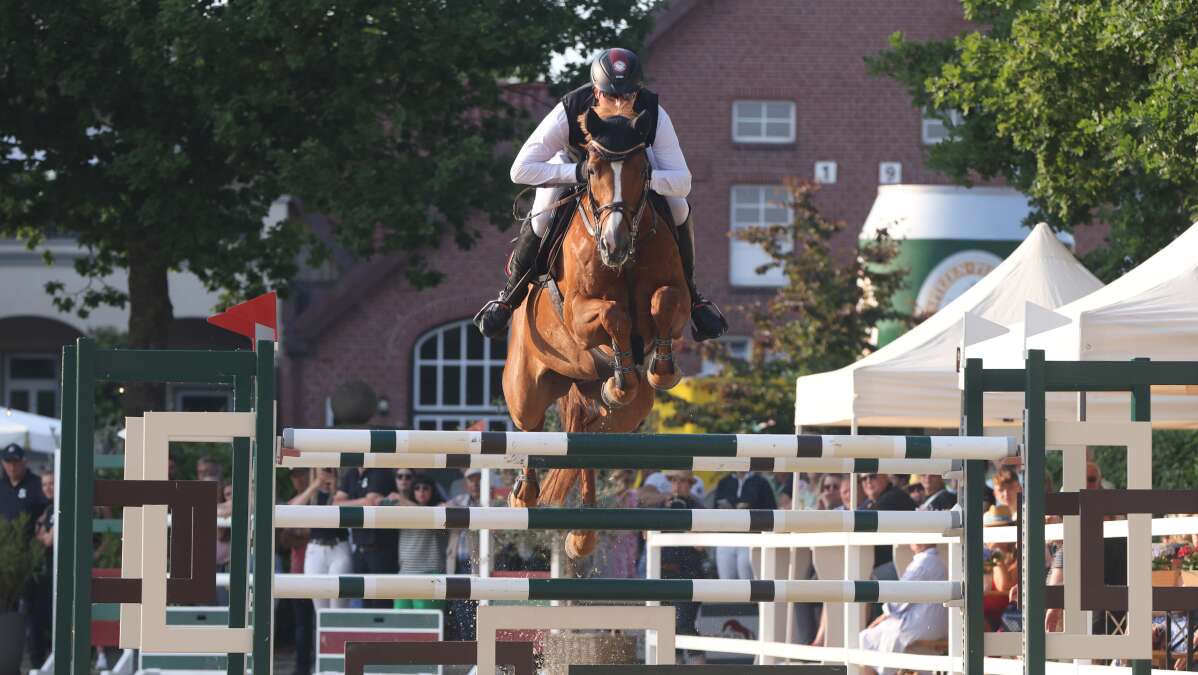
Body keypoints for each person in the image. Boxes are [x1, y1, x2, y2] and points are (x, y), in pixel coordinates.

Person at [473, 47, 727, 343]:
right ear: (596, 91)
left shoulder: (654, 113)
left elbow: (682, 181)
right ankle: (509, 295)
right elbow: (520, 170)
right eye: (610, 95)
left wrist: (640, 180)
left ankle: (693, 295)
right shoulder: (569, 109)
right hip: (576, 168)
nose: (620, 103)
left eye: (628, 96)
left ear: (638, 91)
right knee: (542, 217)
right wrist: (580, 173)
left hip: (633, 176)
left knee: (679, 206)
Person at [858, 543, 948, 675]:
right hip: (937, 627)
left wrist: (884, 615)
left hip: (919, 628)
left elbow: (900, 596)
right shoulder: (937, 563)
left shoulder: (923, 563)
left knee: (866, 637)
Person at [659, 470, 707, 664]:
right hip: (665, 573)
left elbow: (701, 545)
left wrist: (687, 521)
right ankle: (676, 664)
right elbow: (646, 534)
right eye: (673, 481)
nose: (677, 485)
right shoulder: (664, 505)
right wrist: (666, 509)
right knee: (668, 626)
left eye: (682, 482)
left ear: (690, 484)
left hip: (689, 574)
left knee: (684, 623)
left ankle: (699, 664)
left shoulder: (696, 507)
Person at [334, 466, 398, 608]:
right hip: (360, 548)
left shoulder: (380, 471)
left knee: (382, 604)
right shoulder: (351, 473)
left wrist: (351, 503)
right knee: (364, 604)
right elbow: (336, 503)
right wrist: (362, 501)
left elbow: (370, 503)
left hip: (382, 549)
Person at [294, 468, 352, 614]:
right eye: (323, 468)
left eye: (329, 468)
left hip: (339, 546)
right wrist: (315, 485)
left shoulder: (344, 487)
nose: (326, 471)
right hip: (316, 549)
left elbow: (339, 508)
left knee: (338, 608)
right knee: (320, 610)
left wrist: (334, 490)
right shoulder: (312, 490)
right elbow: (292, 510)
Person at [395, 474, 448, 611]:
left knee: (428, 623)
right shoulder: (403, 510)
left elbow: (427, 516)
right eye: (417, 488)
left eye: (425, 488)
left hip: (430, 573)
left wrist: (402, 500)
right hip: (405, 573)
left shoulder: (441, 509)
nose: (421, 492)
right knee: (400, 622)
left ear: (432, 491)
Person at [280, 468, 315, 675]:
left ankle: (323, 666)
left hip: (321, 570)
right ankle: (301, 670)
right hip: (298, 570)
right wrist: (309, 536)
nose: (296, 479)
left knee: (321, 621)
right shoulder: (296, 501)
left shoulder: (324, 498)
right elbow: (284, 540)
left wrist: (302, 534)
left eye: (301, 473)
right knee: (302, 625)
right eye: (293, 475)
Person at [713, 470, 776, 580]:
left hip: (750, 537)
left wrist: (750, 509)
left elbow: (771, 510)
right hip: (726, 537)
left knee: (747, 579)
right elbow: (714, 508)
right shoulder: (724, 482)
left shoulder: (761, 483)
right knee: (726, 583)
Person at [445, 468, 482, 641]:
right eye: (471, 480)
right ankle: (468, 646)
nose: (475, 484)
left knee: (476, 608)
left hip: (478, 564)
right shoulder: (459, 500)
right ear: (466, 484)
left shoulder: (489, 504)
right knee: (461, 609)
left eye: (478, 479)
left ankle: (477, 646)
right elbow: (443, 509)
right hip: (457, 564)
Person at [860, 473, 916, 582]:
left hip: (898, 564)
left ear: (885, 476)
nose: (868, 481)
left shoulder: (893, 497)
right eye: (863, 479)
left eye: (872, 476)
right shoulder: (870, 502)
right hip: (883, 563)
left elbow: (862, 521)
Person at [29, 469, 55, 668]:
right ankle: (38, 665)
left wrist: (41, 533)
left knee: (50, 621)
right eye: (45, 484)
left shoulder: (59, 507)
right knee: (39, 621)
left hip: (55, 574)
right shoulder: (46, 508)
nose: (48, 488)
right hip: (43, 573)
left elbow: (48, 539)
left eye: (51, 483)